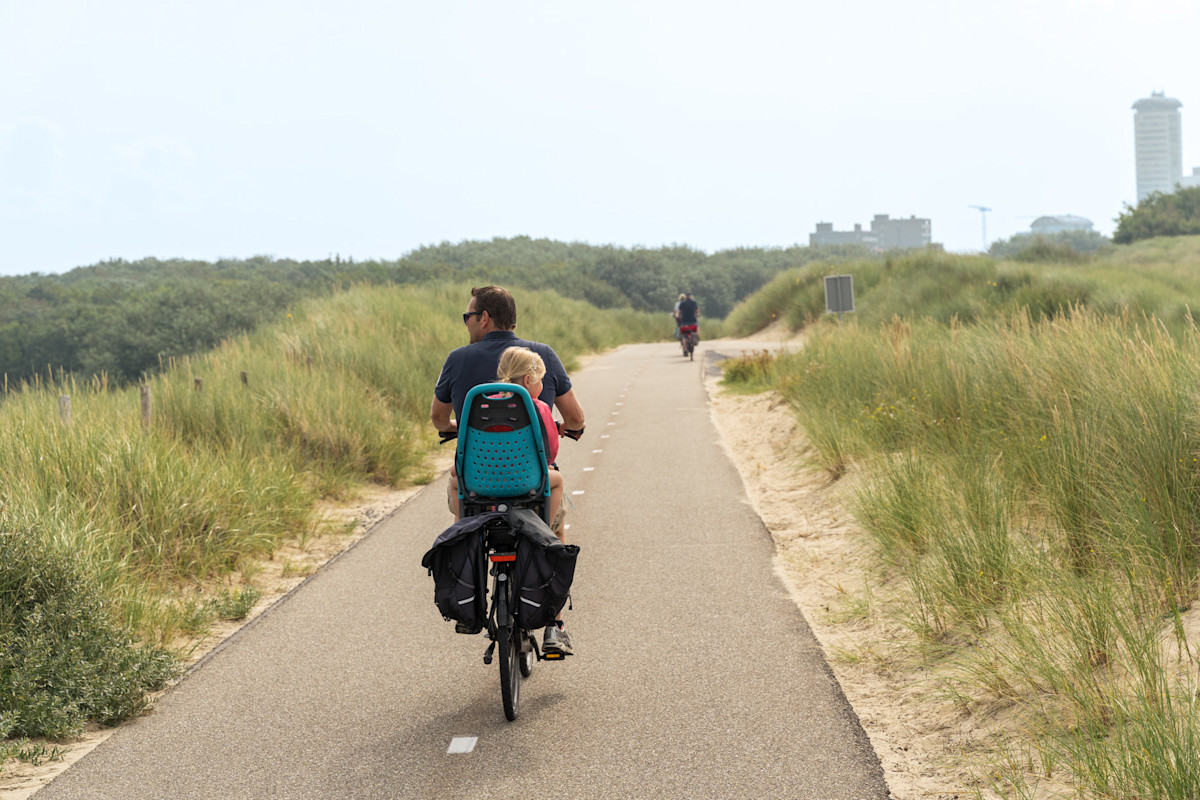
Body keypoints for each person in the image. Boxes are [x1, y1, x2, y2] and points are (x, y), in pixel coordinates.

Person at [430, 285, 585, 655]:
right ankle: (554, 623)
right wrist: (571, 429)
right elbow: (575, 417)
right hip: (530, 481)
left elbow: (438, 418)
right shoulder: (541, 355)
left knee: (458, 491)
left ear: (484, 318)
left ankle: (464, 576)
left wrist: (456, 430)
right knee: (556, 522)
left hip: (478, 484)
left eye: (468, 316)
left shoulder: (458, 358)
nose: (466, 322)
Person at [495, 346, 564, 537]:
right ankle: (542, 532)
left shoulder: (482, 405)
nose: (542, 385)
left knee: (455, 484)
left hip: (483, 482)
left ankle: (462, 530)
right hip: (526, 481)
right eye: (541, 380)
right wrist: (547, 465)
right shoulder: (540, 408)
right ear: (528, 380)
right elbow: (550, 451)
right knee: (556, 480)